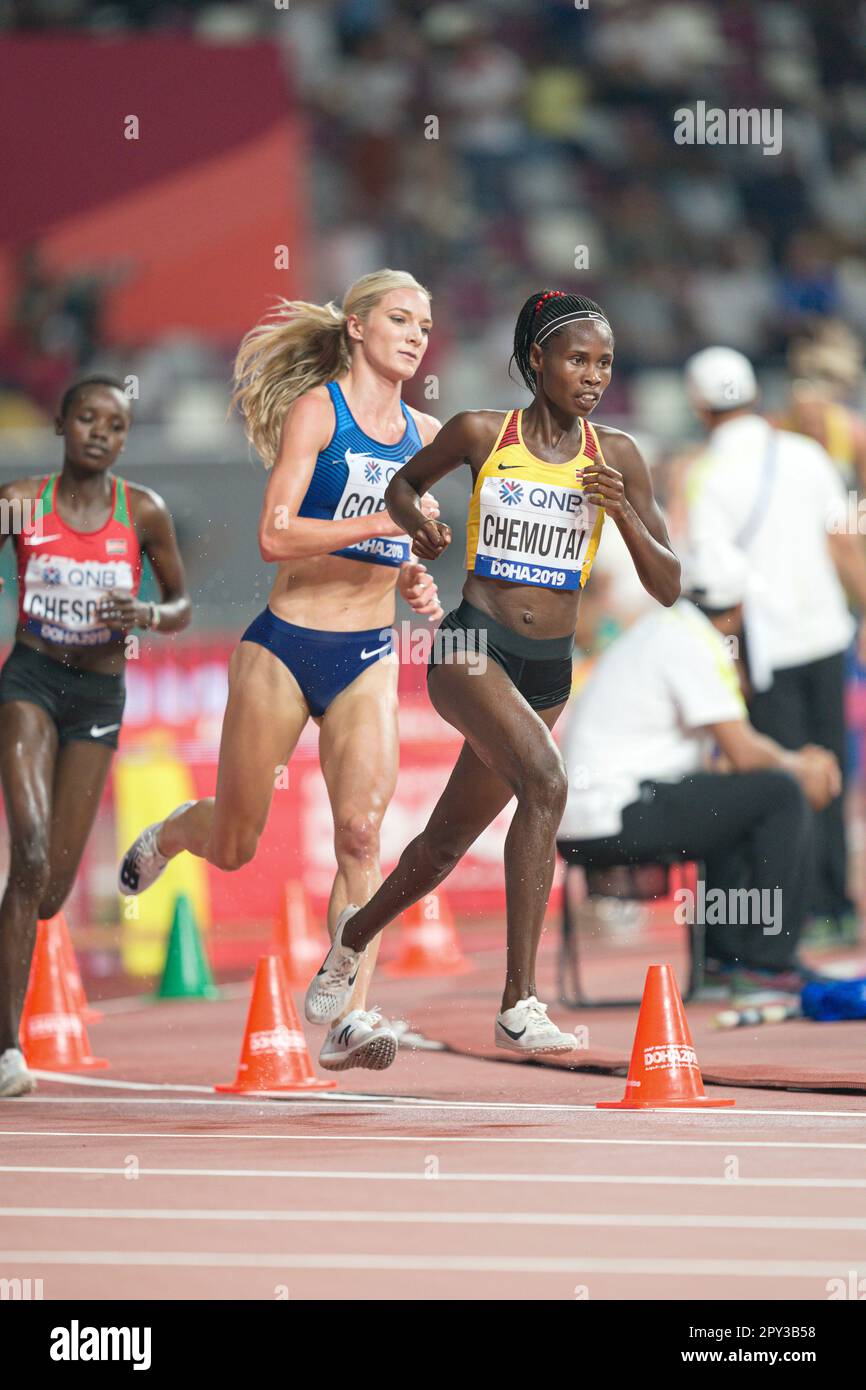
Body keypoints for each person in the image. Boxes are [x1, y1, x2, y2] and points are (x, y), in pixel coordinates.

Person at [305, 289, 680, 1054]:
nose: (593, 376)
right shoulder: (483, 431)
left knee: (443, 844)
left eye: (604, 363)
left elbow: (670, 585)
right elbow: (401, 486)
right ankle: (519, 1001)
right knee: (546, 782)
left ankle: (354, 933)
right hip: (470, 647)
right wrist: (424, 526)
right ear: (536, 359)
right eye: (577, 359)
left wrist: (627, 516)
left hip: (547, 675)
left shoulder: (618, 456)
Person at [118, 270, 442, 1074]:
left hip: (368, 655)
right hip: (285, 646)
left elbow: (402, 543)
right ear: (359, 328)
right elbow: (275, 533)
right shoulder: (318, 412)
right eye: (400, 319)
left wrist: (412, 573)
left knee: (364, 836)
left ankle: (350, 1019)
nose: (414, 336)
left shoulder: (425, 434)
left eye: (426, 327)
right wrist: (384, 518)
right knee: (235, 839)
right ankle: (172, 833)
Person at [0, 376, 191, 1097]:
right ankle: (6, 1050)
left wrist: (144, 612)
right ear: (61, 423)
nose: (100, 433)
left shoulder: (142, 511)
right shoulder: (23, 500)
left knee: (48, 891)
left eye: (115, 424)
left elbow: (180, 603)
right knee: (32, 849)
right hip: (29, 682)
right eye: (88, 418)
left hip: (98, 696)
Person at [557, 544, 842, 993]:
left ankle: (725, 960)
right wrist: (802, 766)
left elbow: (728, 763)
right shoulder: (691, 640)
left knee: (735, 800)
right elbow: (744, 752)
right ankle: (767, 961)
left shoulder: (665, 630)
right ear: (740, 610)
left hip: (599, 812)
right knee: (780, 795)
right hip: (617, 811)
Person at [684, 346, 866, 940]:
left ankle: (800, 912)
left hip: (767, 647)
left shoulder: (707, 474)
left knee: (787, 778)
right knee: (833, 769)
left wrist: (725, 665)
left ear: (700, 406)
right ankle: (837, 905)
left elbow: (715, 583)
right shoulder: (806, 454)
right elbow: (845, 540)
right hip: (827, 632)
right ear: (755, 394)